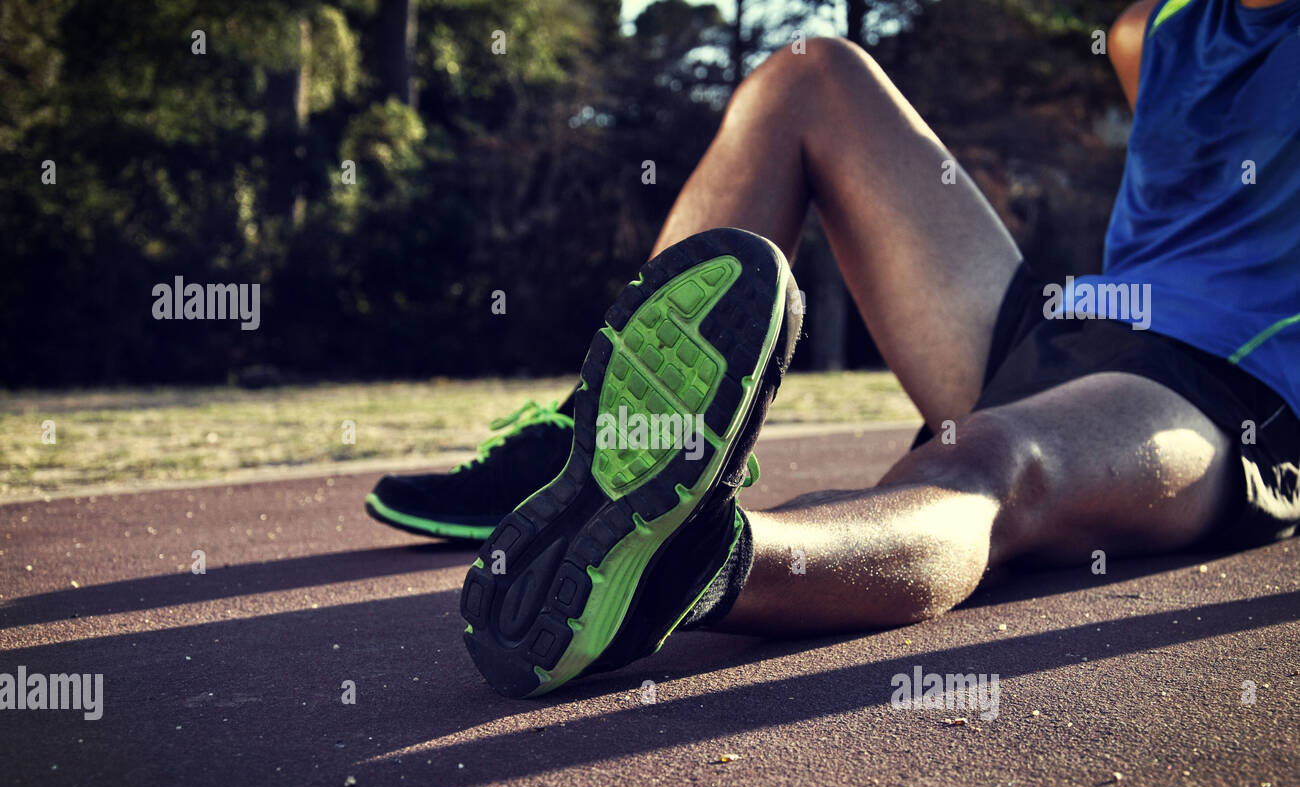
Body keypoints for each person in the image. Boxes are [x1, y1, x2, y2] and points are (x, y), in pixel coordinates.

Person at [370, 0, 1300, 697]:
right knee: (808, 75)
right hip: (1064, 325)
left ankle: (691, 565)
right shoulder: (1154, 28)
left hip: (1217, 388)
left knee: (985, 463)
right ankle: (598, 437)